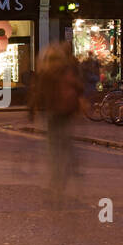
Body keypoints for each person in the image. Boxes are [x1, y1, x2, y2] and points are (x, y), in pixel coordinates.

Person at [28, 41, 85, 205]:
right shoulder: (67, 70)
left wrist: (32, 109)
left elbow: (37, 92)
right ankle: (65, 176)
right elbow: (79, 87)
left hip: (54, 113)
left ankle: (57, 182)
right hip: (64, 113)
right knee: (64, 148)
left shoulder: (47, 72)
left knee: (55, 151)